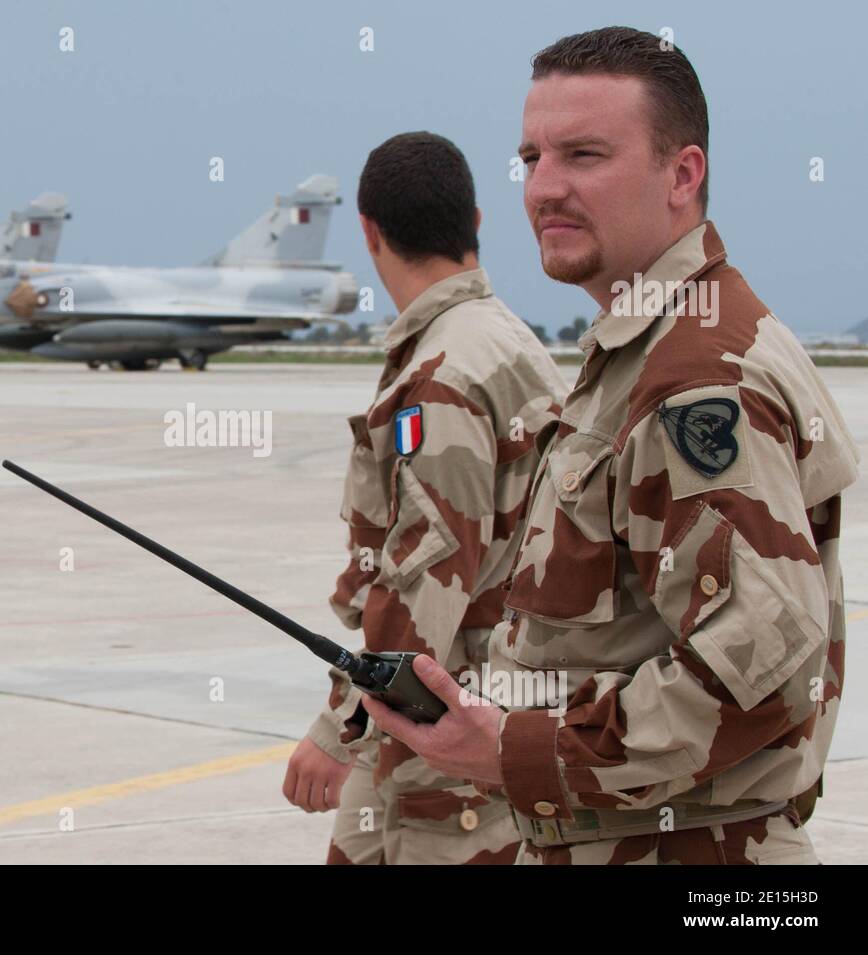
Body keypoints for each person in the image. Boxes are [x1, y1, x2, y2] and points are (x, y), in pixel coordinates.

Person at [361, 26, 859, 865]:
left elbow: (758, 669)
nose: (545, 187)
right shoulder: (645, 349)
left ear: (682, 173)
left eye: (584, 155)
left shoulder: (699, 377)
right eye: (531, 157)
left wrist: (514, 751)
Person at [281, 131, 567, 864]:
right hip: (461, 714)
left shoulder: (446, 371)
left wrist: (338, 729)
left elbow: (427, 578)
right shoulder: (507, 341)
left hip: (445, 736)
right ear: (475, 221)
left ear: (369, 233)